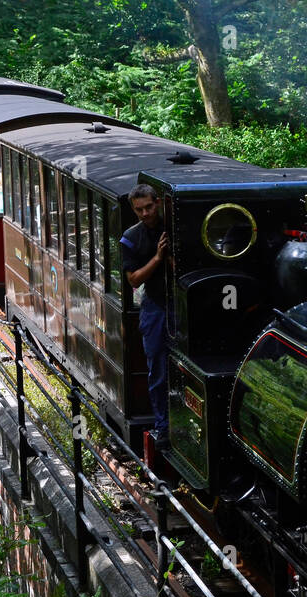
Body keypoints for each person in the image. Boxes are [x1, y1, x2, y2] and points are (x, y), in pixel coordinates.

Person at [120, 183, 172, 449]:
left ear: (158, 203)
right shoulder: (131, 238)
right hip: (154, 304)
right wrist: (158, 258)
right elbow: (134, 280)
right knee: (158, 368)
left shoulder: (172, 225)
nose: (145, 213)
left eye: (149, 207)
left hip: (178, 301)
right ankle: (163, 425)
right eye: (139, 209)